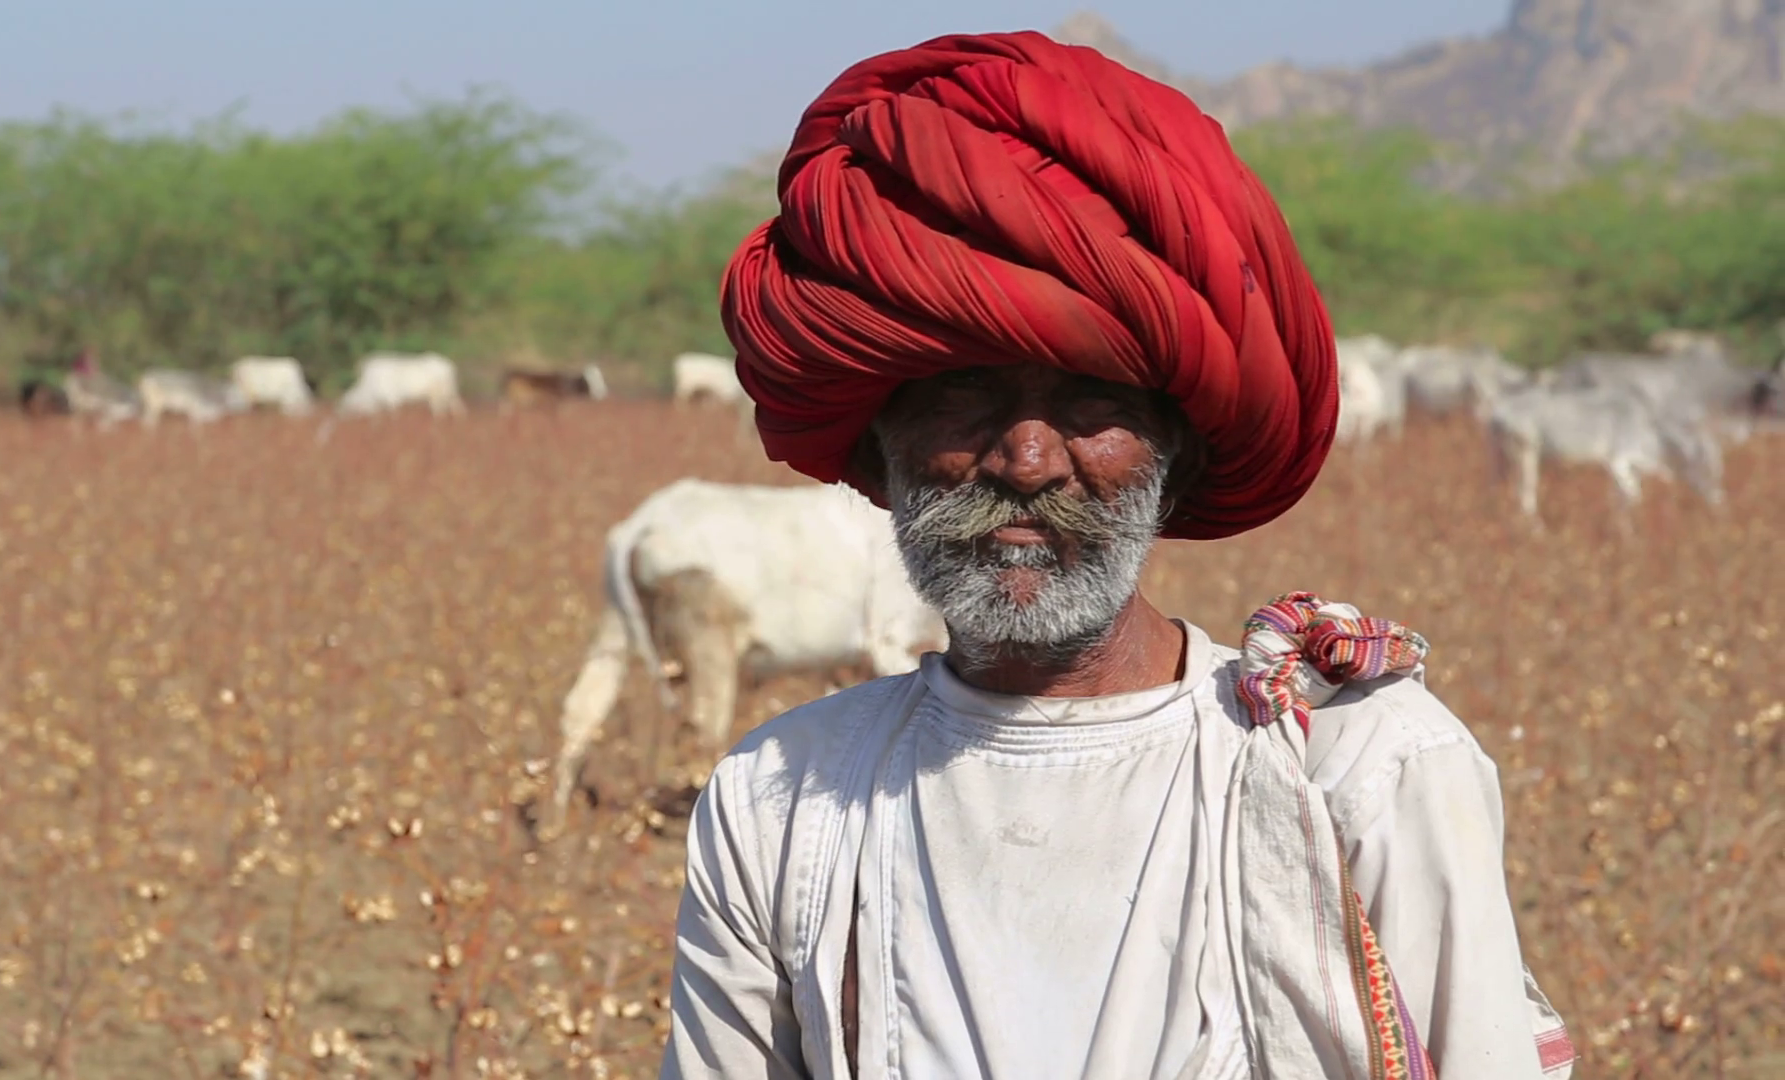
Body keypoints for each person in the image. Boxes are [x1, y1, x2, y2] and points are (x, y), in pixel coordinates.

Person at [660, 31, 1573, 1080]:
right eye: (965, 394)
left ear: (1175, 463)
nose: (1028, 460)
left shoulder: (1363, 767)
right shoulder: (782, 799)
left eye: (1093, 404)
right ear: (882, 450)